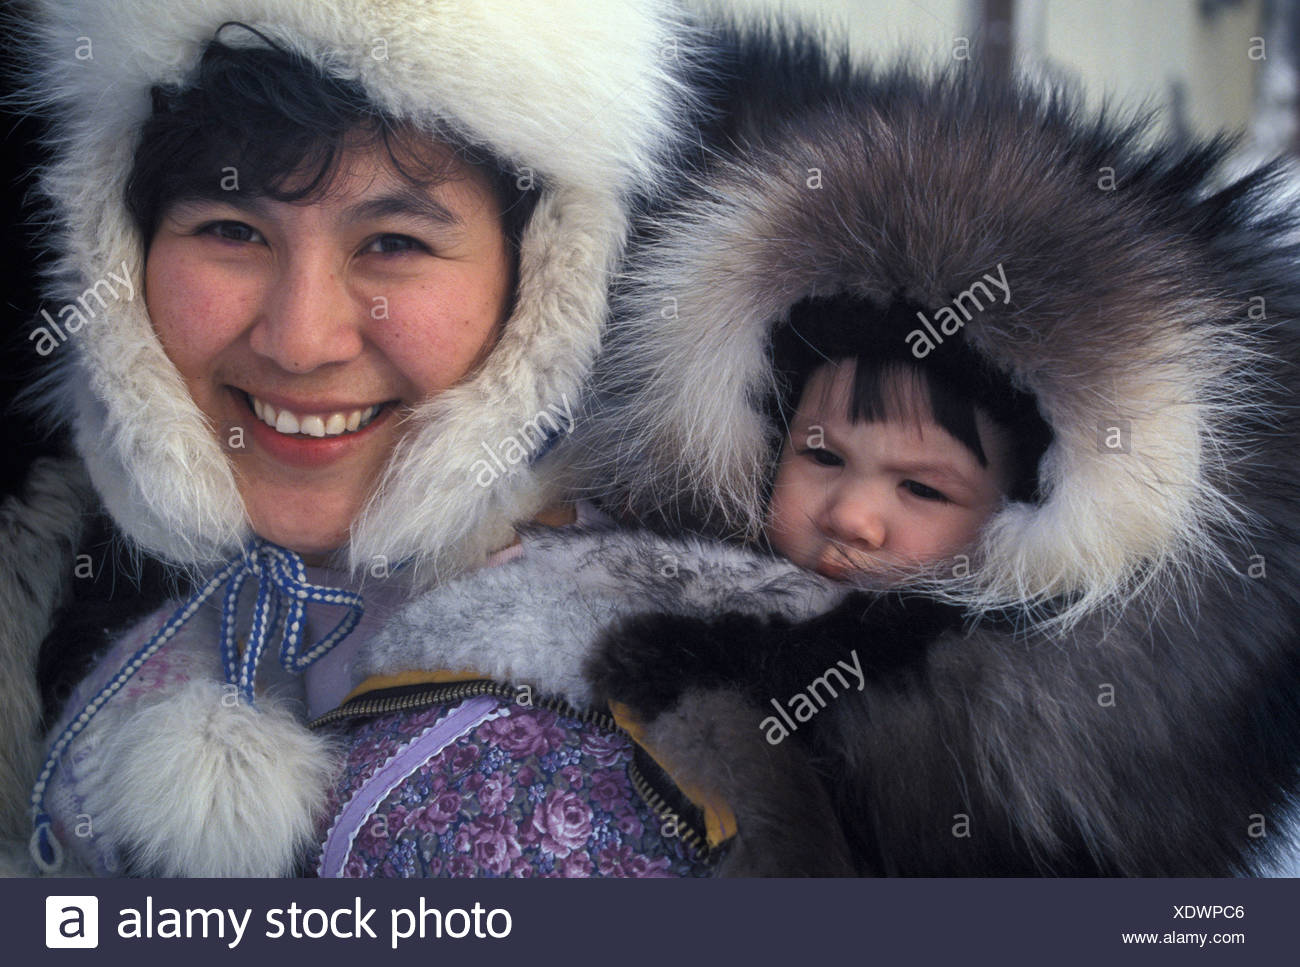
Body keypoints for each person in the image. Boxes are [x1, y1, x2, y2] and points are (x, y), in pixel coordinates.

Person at [371, 24, 1300, 875]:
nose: (854, 511)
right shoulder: (643, 566)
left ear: (1025, 526)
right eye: (822, 455)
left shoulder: (999, 741)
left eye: (922, 489)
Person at [0, 0, 699, 877]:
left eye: (395, 243)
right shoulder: (71, 587)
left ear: (546, 286)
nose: (300, 339)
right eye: (231, 231)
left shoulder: (624, 731)